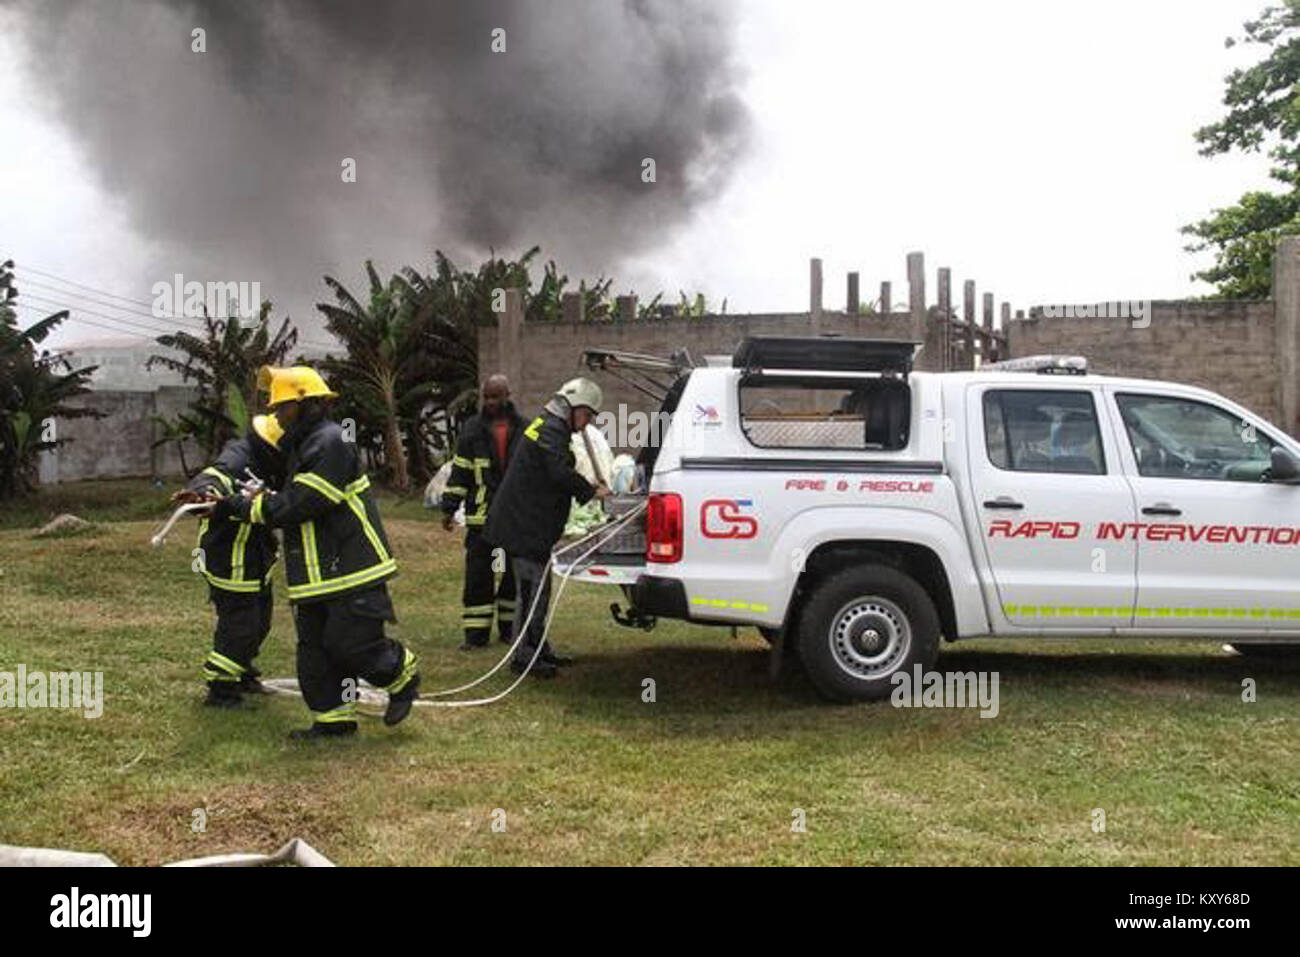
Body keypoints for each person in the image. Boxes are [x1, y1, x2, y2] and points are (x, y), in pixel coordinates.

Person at [211, 365, 420, 739]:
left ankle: (402, 673)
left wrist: (245, 508)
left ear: (306, 402)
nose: (276, 415)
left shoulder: (331, 441)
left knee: (353, 644)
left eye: (283, 407)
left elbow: (306, 502)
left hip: (351, 569)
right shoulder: (303, 445)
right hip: (314, 575)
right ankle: (333, 721)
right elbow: (294, 500)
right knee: (315, 653)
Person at [485, 377, 612, 678]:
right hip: (525, 526)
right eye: (587, 416)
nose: (586, 425)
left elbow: (555, 466)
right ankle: (524, 657)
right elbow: (557, 472)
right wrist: (590, 490)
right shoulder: (551, 430)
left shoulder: (549, 427)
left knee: (538, 590)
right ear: (574, 408)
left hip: (529, 523)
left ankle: (537, 648)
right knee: (531, 592)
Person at [173, 414, 286, 708]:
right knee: (240, 626)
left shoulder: (271, 466)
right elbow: (216, 476)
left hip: (256, 556)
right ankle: (221, 688)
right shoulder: (239, 459)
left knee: (260, 622)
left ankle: (242, 671)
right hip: (230, 558)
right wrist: (201, 495)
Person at [440, 374, 524, 650]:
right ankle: (475, 637)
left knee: (513, 577)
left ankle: (510, 631)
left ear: (507, 396)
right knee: (478, 578)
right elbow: (460, 472)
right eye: (486, 396)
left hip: (513, 519)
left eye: (495, 396)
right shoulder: (472, 430)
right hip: (481, 521)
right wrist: (449, 508)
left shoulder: (525, 429)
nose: (489, 402)